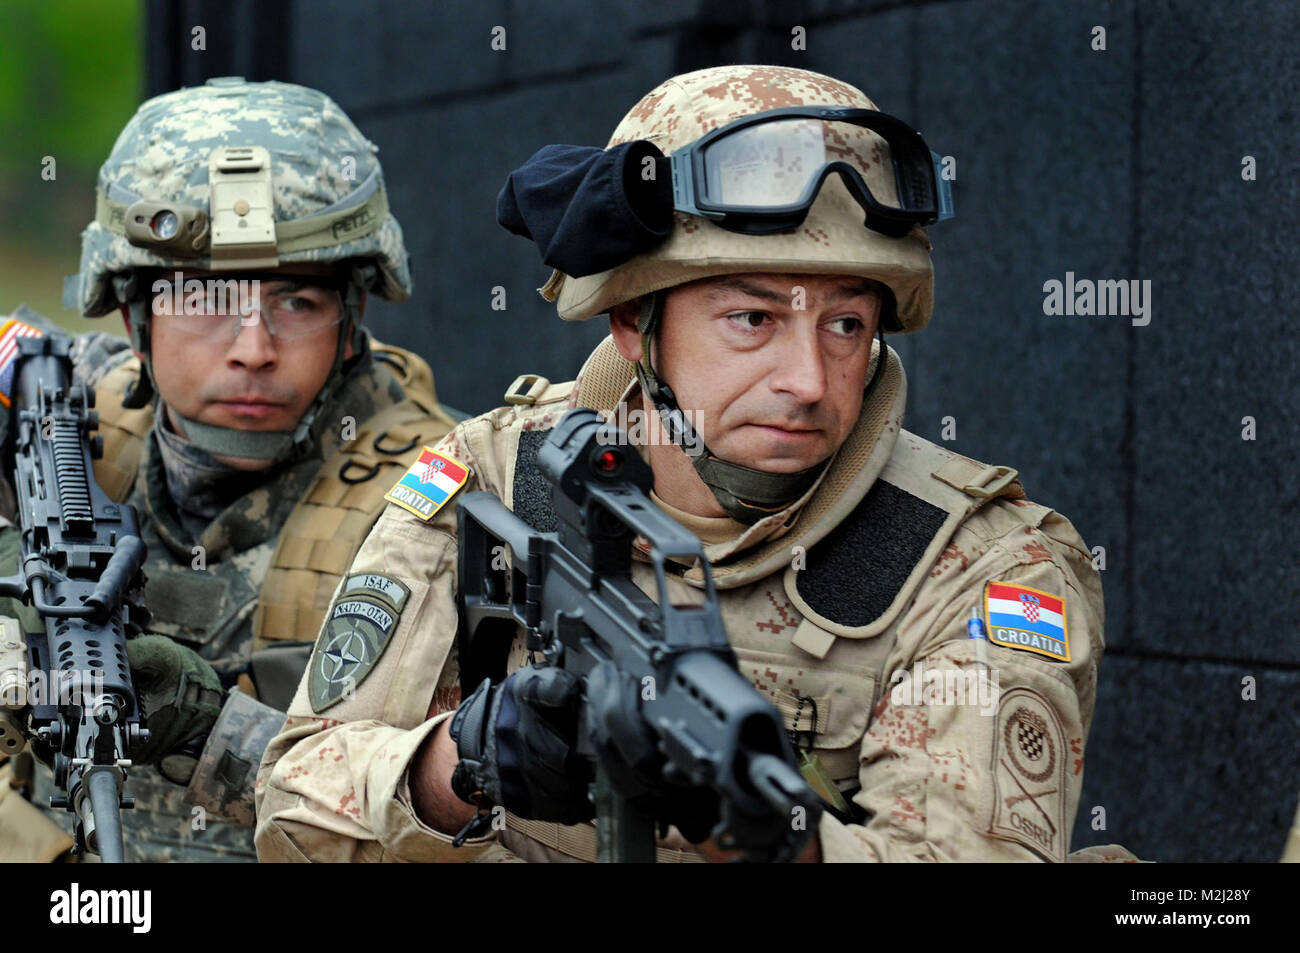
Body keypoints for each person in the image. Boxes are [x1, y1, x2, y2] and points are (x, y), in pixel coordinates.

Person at [255, 65, 1127, 862]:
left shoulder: (978, 566)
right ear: (633, 324)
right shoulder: (493, 472)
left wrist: (761, 836)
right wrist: (464, 761)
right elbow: (291, 804)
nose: (808, 379)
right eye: (752, 319)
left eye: (845, 323)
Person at [0, 77, 459, 862]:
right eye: (206, 297)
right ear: (132, 316)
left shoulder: (441, 508)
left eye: (296, 303)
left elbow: (466, 824)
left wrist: (210, 728)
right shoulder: (66, 421)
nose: (253, 346)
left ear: (351, 319)